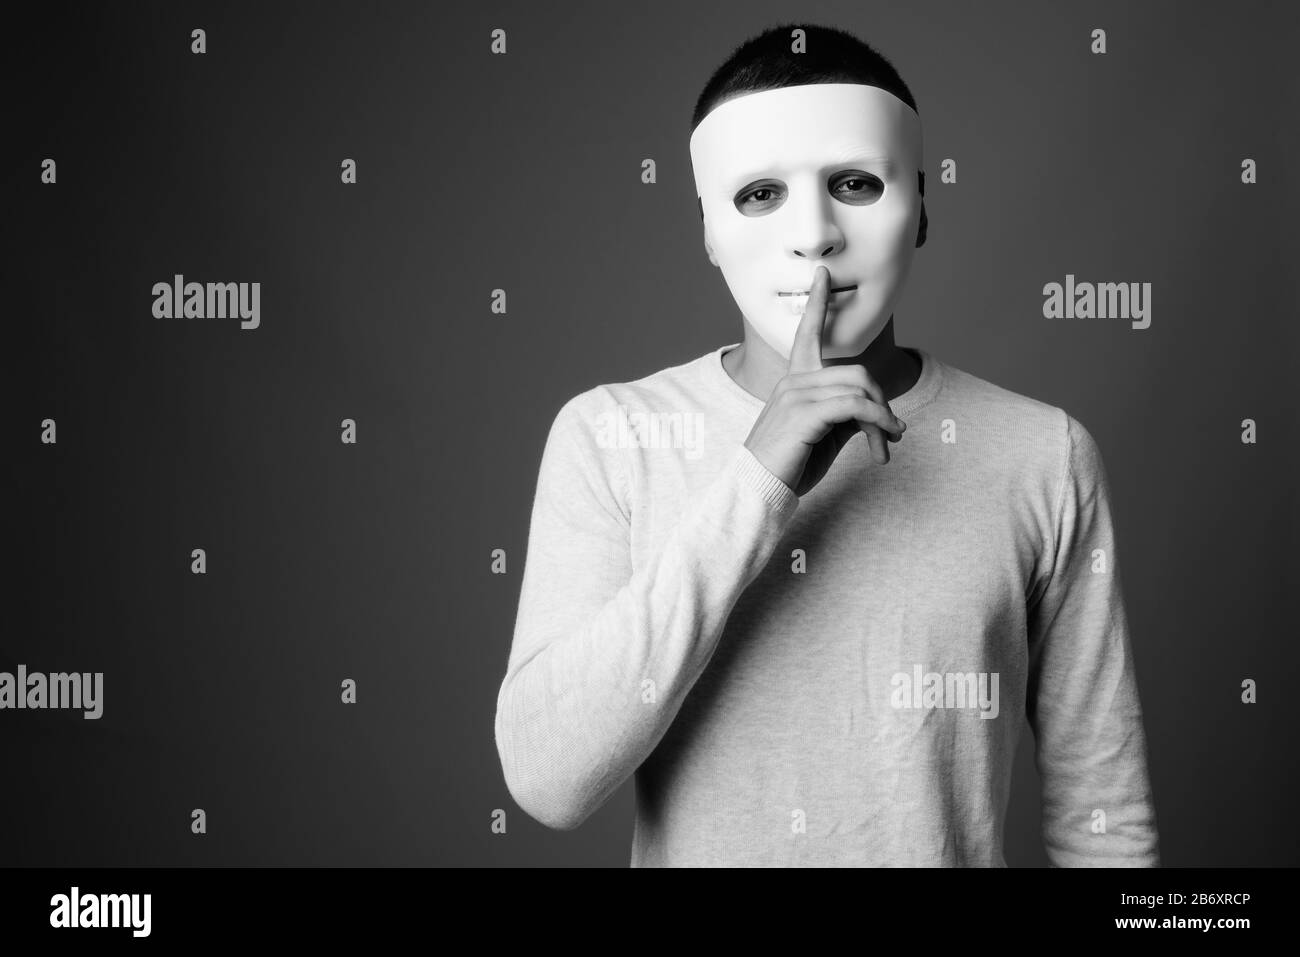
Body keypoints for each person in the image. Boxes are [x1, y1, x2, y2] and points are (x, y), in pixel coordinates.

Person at [493, 22, 1159, 866]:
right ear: (706, 229)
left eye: (853, 182)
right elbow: (547, 779)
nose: (814, 235)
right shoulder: (612, 437)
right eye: (760, 194)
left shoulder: (1043, 453)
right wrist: (758, 475)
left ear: (921, 209)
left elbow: (1103, 815)